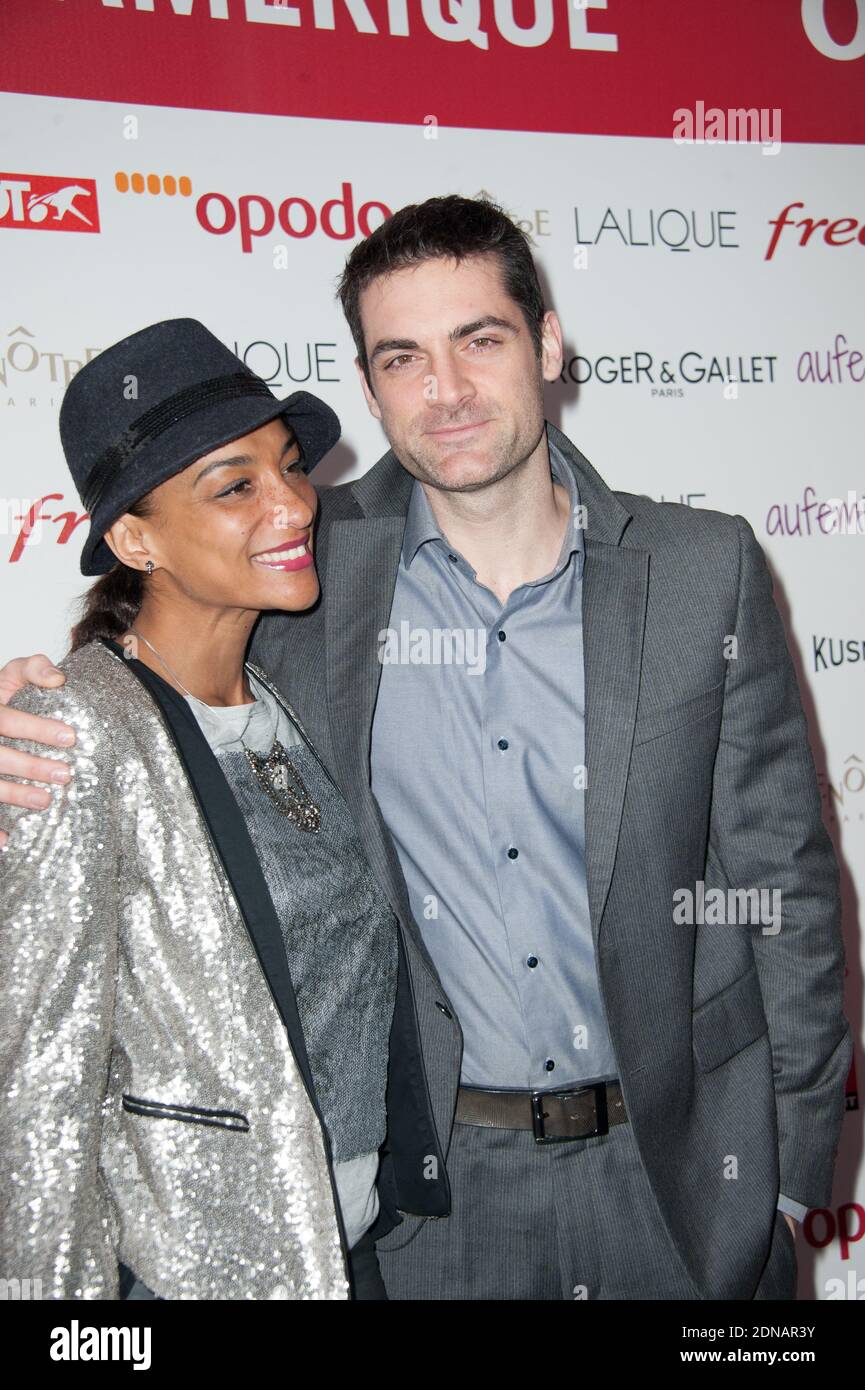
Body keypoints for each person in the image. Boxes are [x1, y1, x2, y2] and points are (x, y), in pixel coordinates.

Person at [1, 197, 852, 1300]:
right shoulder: (307, 573)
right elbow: (160, 659)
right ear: (368, 385)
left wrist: (782, 1186)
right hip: (433, 1215)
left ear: (546, 344)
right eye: (402, 357)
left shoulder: (701, 570)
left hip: (681, 1183)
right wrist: (34, 698)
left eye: (479, 340)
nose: (444, 392)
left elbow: (783, 889)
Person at [0, 318, 410, 1300]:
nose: (292, 504)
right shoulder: (81, 726)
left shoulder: (278, 699)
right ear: (134, 538)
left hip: (349, 1259)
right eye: (234, 486)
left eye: (289, 466)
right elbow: (38, 1089)